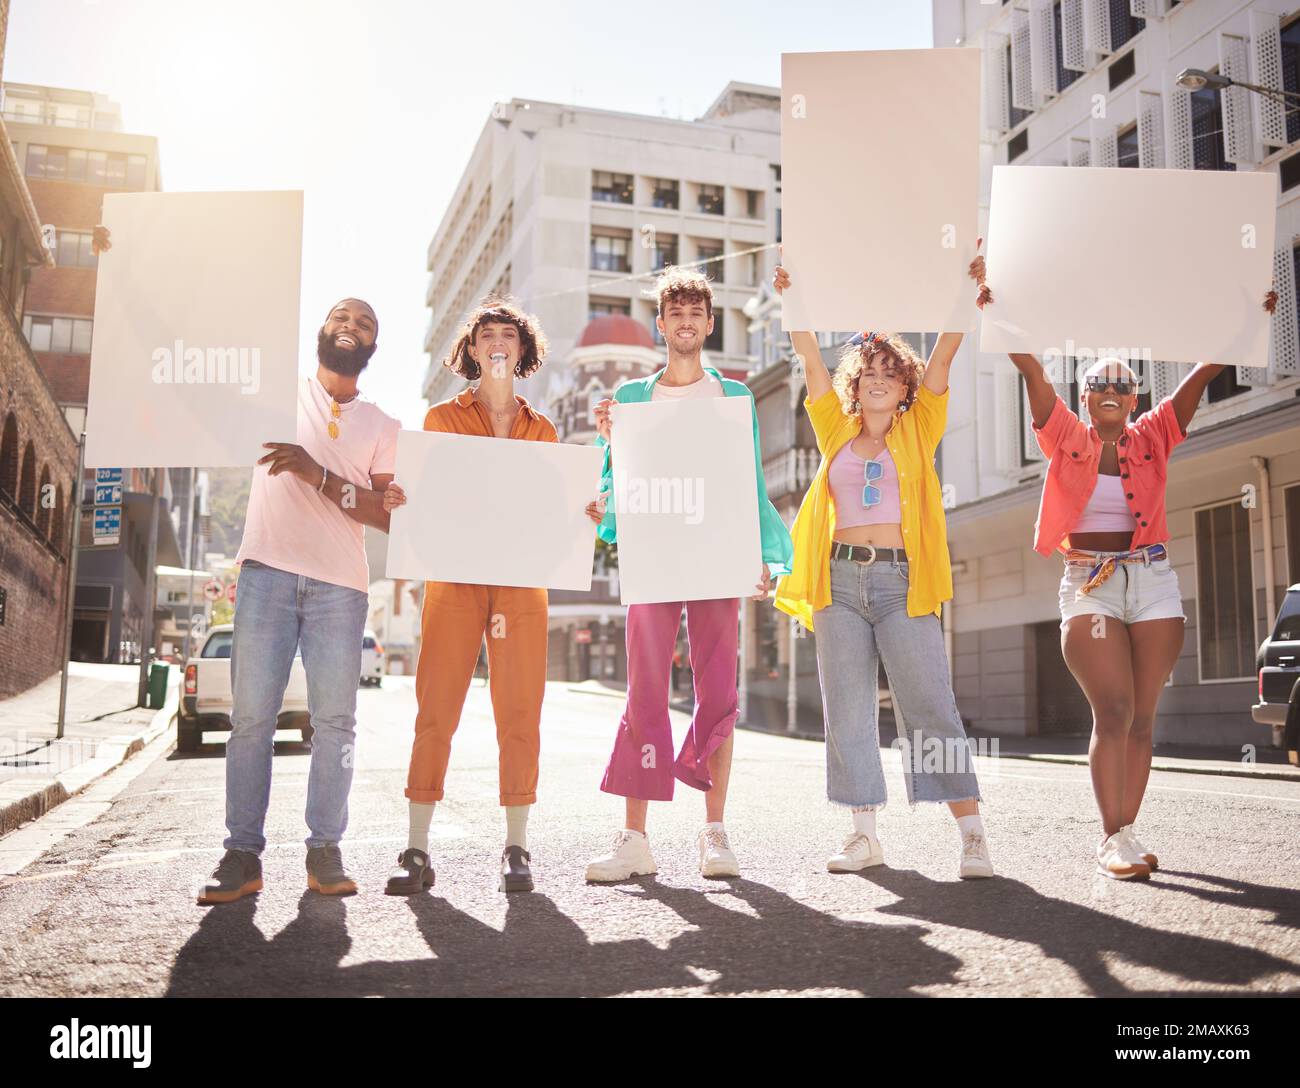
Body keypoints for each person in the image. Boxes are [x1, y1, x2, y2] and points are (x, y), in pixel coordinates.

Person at [980, 278, 1278, 879]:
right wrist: (996, 311)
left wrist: (1248, 320)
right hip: (1089, 583)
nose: (1111, 390)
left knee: (1144, 716)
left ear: (1136, 399)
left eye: (1123, 384)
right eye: (1099, 384)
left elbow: (1201, 373)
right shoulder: (1064, 435)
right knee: (1113, 710)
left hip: (1154, 581)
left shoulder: (1157, 434)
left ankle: (1129, 833)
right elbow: (1034, 374)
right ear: (1085, 398)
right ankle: (1111, 837)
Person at [771, 251, 995, 880]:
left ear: (904, 388)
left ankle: (972, 835)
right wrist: (794, 298)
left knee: (929, 704)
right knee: (846, 707)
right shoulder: (834, 431)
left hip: (901, 581)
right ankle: (863, 834)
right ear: (855, 384)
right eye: (866, 370)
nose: (876, 379)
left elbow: (946, 356)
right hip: (838, 580)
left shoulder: (919, 428)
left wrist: (965, 292)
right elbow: (810, 356)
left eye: (889, 373)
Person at [583, 267, 794, 883]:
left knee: (718, 692)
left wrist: (759, 552)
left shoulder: (735, 397)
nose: (684, 321)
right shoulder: (628, 401)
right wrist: (605, 485)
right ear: (661, 323)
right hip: (654, 557)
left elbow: (747, 483)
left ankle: (714, 832)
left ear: (708, 323)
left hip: (716, 555)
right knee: (644, 691)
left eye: (695, 312)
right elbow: (611, 482)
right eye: (674, 311)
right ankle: (634, 839)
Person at [199, 298, 400, 904]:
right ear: (322, 331)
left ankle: (324, 850)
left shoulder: (383, 426)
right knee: (250, 720)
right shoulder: (274, 395)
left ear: (372, 347)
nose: (351, 326)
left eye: (364, 323)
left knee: (335, 724)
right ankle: (241, 855)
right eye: (342, 317)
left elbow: (386, 515)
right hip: (266, 575)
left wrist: (318, 475)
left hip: (341, 586)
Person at [382, 298, 569, 896]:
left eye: (508, 335)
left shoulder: (544, 429)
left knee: (520, 712)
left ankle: (516, 846)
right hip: (455, 577)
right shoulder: (440, 420)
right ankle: (416, 850)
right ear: (472, 349)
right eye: (486, 334)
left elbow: (552, 512)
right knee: (436, 708)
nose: (497, 342)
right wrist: (401, 500)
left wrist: (581, 510)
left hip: (519, 582)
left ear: (522, 350)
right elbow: (427, 495)